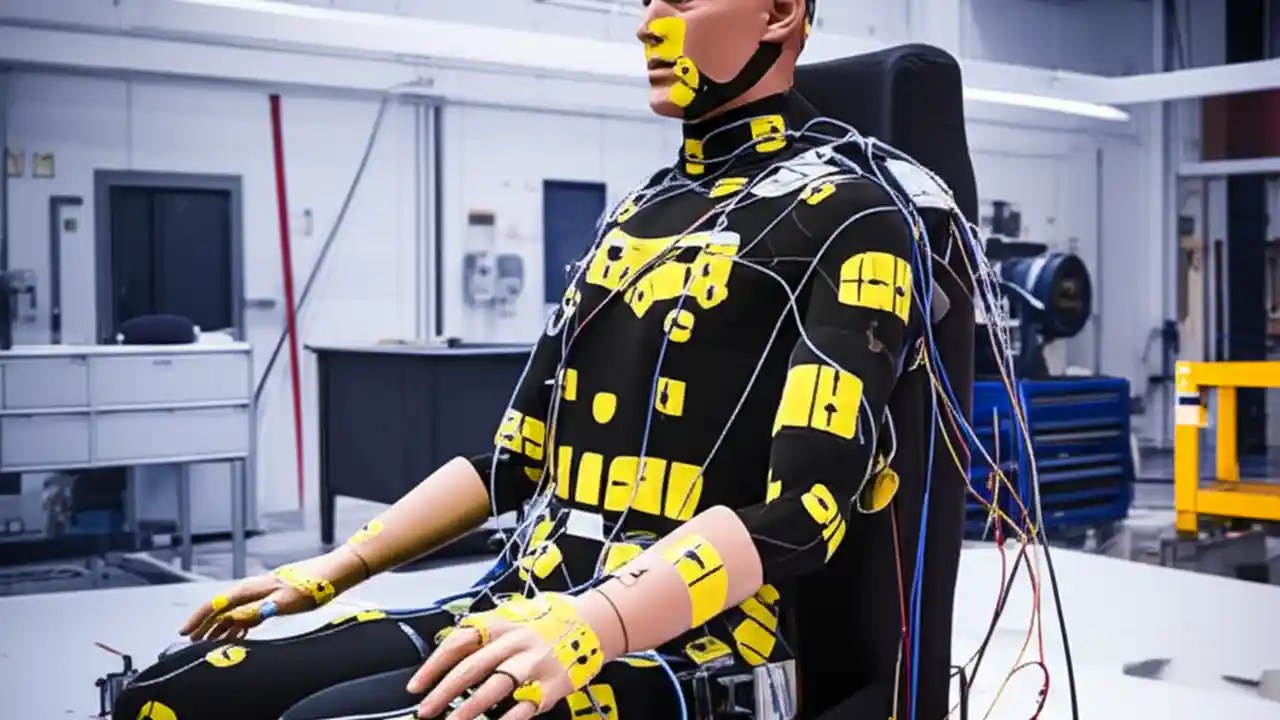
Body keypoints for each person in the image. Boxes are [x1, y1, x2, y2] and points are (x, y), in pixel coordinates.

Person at [117, 1, 976, 718]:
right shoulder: (638, 216)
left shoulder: (858, 216)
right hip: (518, 600)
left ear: (781, 13)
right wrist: (333, 568)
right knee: (169, 697)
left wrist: (598, 622)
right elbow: (514, 460)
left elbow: (807, 507)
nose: (650, 23)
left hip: (697, 641)